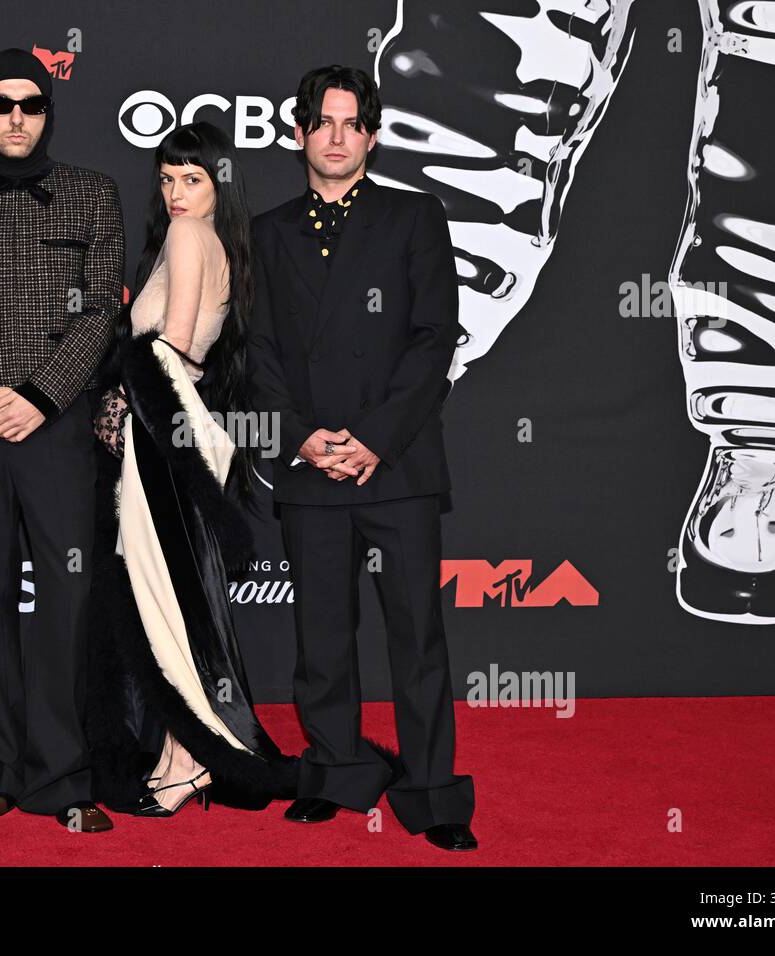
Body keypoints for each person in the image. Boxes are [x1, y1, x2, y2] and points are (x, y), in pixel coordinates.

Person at [246, 65, 478, 850]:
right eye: (323, 123)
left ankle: (434, 795)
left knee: (417, 638)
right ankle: (335, 771)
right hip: (310, 466)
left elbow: (433, 340)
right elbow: (263, 350)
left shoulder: (415, 217)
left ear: (371, 136)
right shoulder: (269, 231)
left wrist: (374, 439)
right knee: (323, 637)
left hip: (399, 464)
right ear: (301, 133)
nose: (337, 137)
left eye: (351, 124)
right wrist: (301, 434)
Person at [0, 48, 124, 833]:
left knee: (67, 603)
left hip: (59, 427)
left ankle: (63, 773)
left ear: (46, 112)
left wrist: (40, 396)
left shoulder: (91, 193)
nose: (15, 117)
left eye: (30, 104)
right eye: (1, 104)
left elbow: (100, 312)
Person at [86, 122, 297, 816]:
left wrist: (120, 400)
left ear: (219, 184)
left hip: (163, 435)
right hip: (187, 429)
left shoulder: (184, 239)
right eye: (167, 179)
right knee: (182, 601)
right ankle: (190, 752)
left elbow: (166, 353)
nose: (176, 194)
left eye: (192, 179)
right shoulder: (220, 245)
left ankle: (188, 760)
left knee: (165, 603)